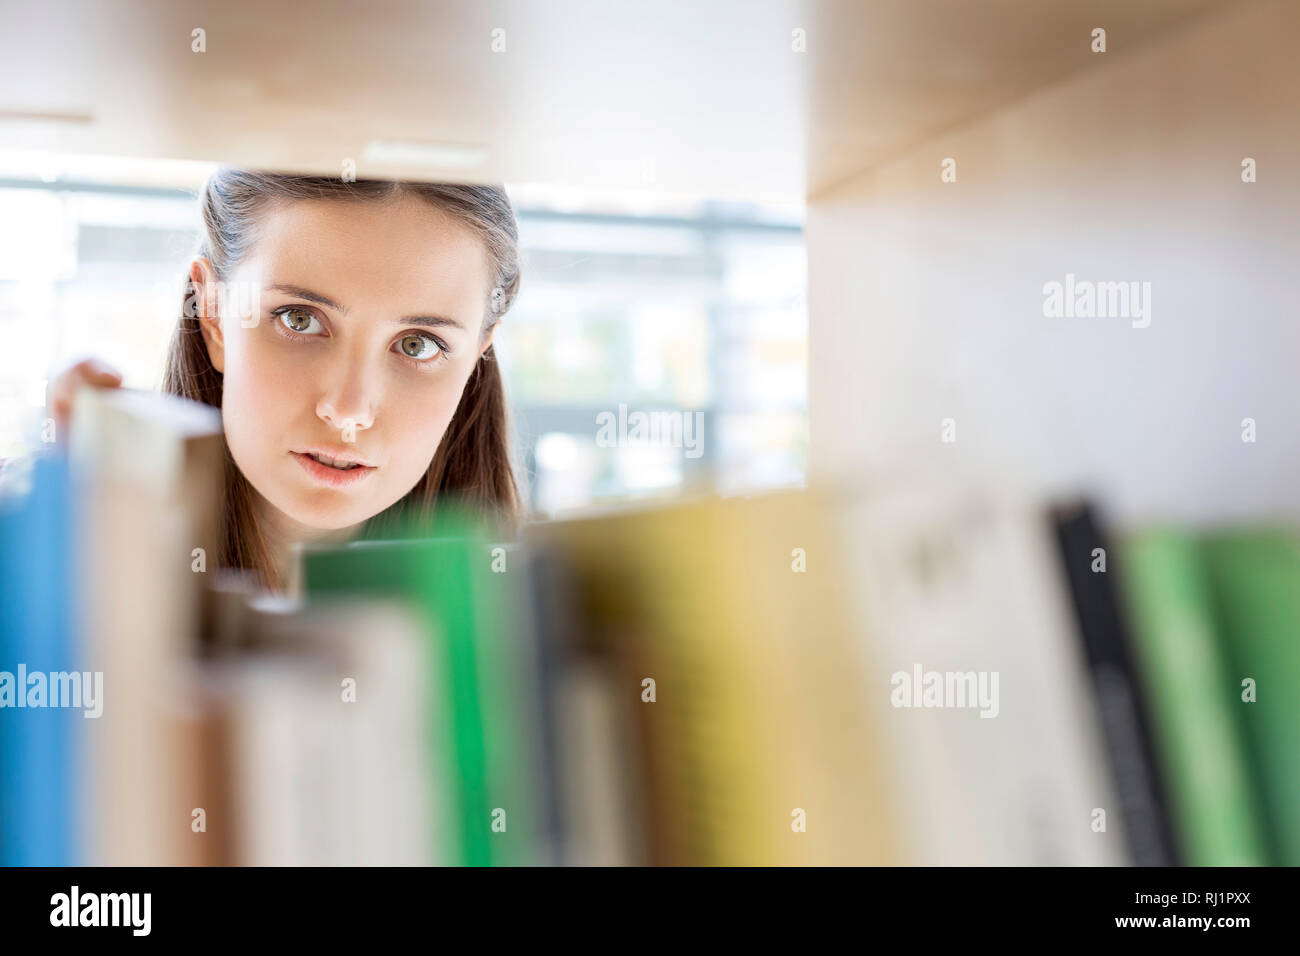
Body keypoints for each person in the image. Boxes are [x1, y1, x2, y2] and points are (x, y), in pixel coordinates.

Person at [47, 169, 522, 590]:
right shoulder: (74, 564)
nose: (349, 410)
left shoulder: (531, 629)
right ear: (212, 313)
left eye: (418, 345)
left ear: (476, 354)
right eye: (298, 319)